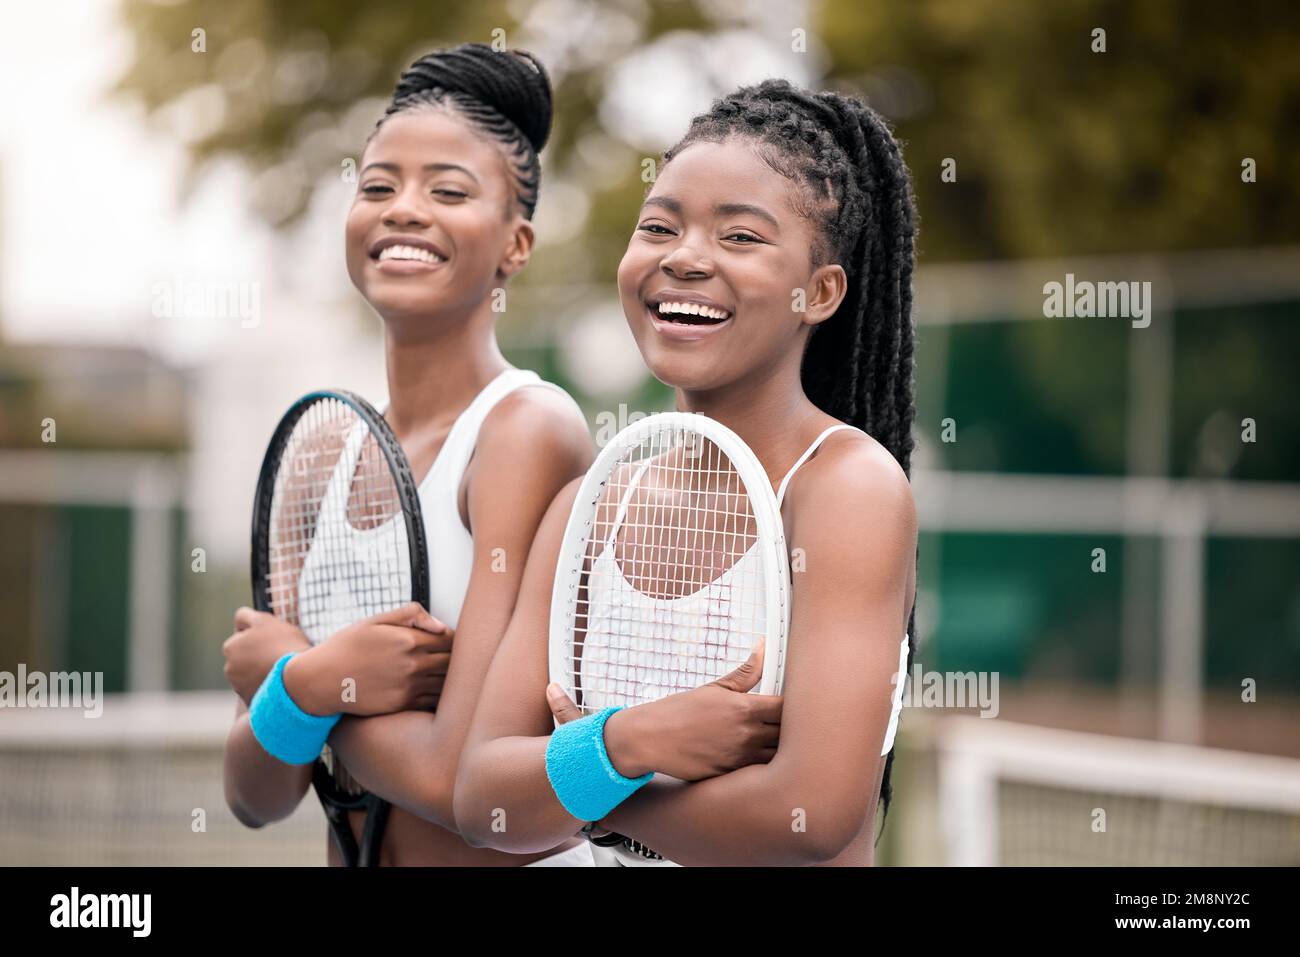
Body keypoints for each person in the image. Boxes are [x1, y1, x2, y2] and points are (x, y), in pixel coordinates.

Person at [453, 78, 919, 866]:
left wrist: (583, 786)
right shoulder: (588, 508)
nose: (686, 257)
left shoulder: (847, 489)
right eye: (659, 226)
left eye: (740, 237)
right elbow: (483, 800)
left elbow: (808, 813)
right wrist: (632, 739)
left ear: (821, 291)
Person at [221, 44, 594, 866]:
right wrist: (315, 682)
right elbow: (256, 794)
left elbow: (470, 786)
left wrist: (300, 682)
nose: (403, 209)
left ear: (516, 243)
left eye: (449, 191)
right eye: (377, 185)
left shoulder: (527, 431)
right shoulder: (323, 454)